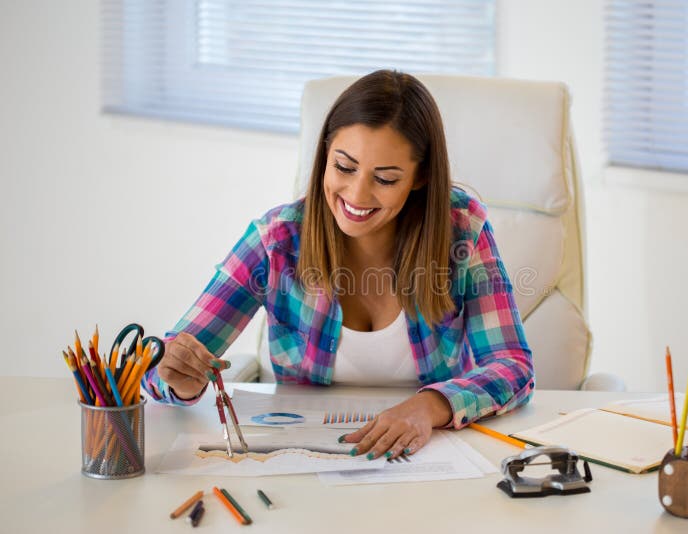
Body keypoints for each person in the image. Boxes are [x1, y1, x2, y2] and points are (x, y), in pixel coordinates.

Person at [144, 69, 534, 459]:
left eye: (384, 178)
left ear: (420, 178)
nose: (357, 194)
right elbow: (158, 364)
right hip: (306, 461)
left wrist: (428, 407)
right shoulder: (276, 240)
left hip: (431, 455)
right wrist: (179, 379)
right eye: (344, 167)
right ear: (325, 155)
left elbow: (512, 364)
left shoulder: (461, 229)